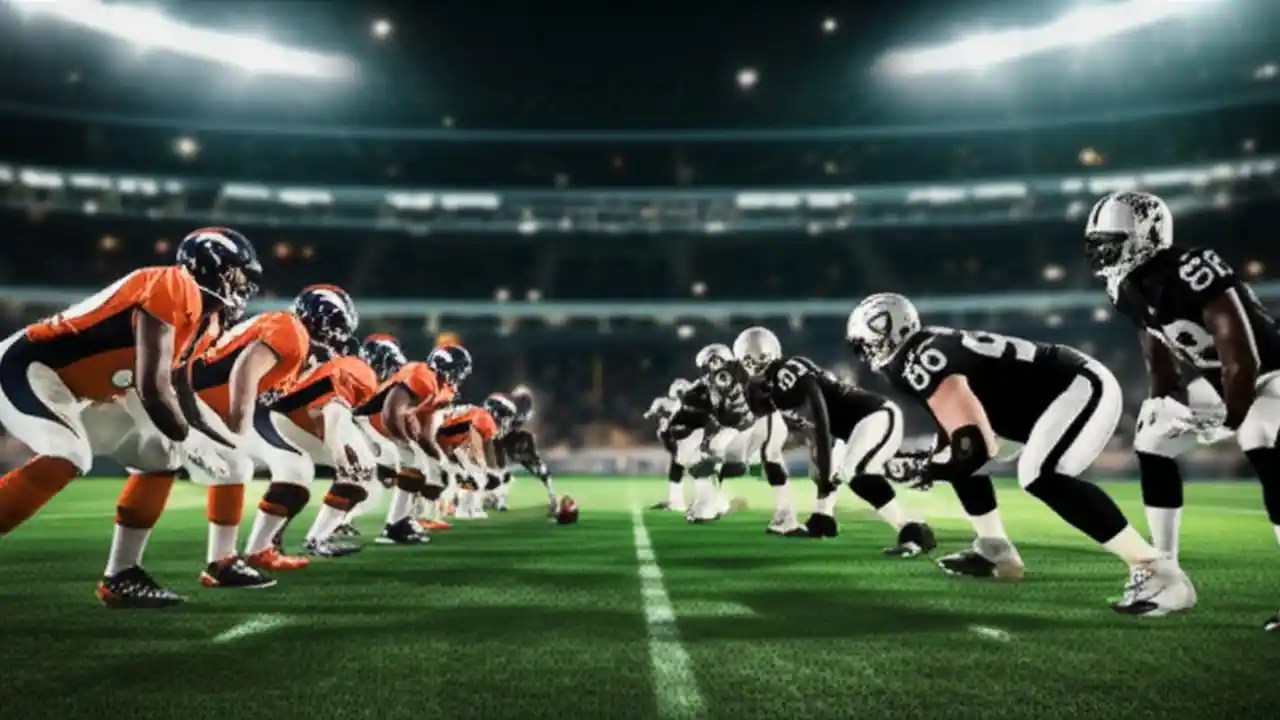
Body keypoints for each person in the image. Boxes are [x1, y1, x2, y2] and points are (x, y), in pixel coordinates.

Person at [847, 292, 1195, 615]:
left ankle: (1157, 571)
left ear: (884, 333)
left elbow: (975, 448)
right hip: (1039, 402)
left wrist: (925, 469)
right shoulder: (925, 349)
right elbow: (959, 430)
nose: (864, 355)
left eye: (864, 344)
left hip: (1073, 386)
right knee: (959, 459)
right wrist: (933, 462)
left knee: (1039, 474)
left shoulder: (919, 359)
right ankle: (994, 550)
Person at [0, 226, 261, 607]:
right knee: (67, 455)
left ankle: (121, 576)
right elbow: (153, 388)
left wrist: (215, 439)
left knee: (159, 455)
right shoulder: (171, 285)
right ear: (211, 268)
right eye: (238, 274)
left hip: (88, 392)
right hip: (30, 367)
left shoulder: (208, 320)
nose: (243, 286)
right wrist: (188, 441)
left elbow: (180, 390)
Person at [1084, 190, 1280, 626]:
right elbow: (1154, 342)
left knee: (1257, 433)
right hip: (1224, 383)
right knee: (1152, 436)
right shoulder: (1126, 286)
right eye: (1097, 242)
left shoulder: (1192, 269)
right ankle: (1167, 577)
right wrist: (1163, 395)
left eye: (1111, 240)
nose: (1101, 252)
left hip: (1271, 377)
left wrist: (1229, 419)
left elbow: (1241, 359)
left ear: (1145, 235)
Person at [734, 326, 936, 556]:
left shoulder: (786, 373)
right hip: (851, 425)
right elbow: (817, 425)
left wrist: (823, 461)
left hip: (873, 415)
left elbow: (820, 412)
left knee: (856, 473)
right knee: (829, 472)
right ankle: (822, 519)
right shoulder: (772, 384)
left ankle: (914, 531)